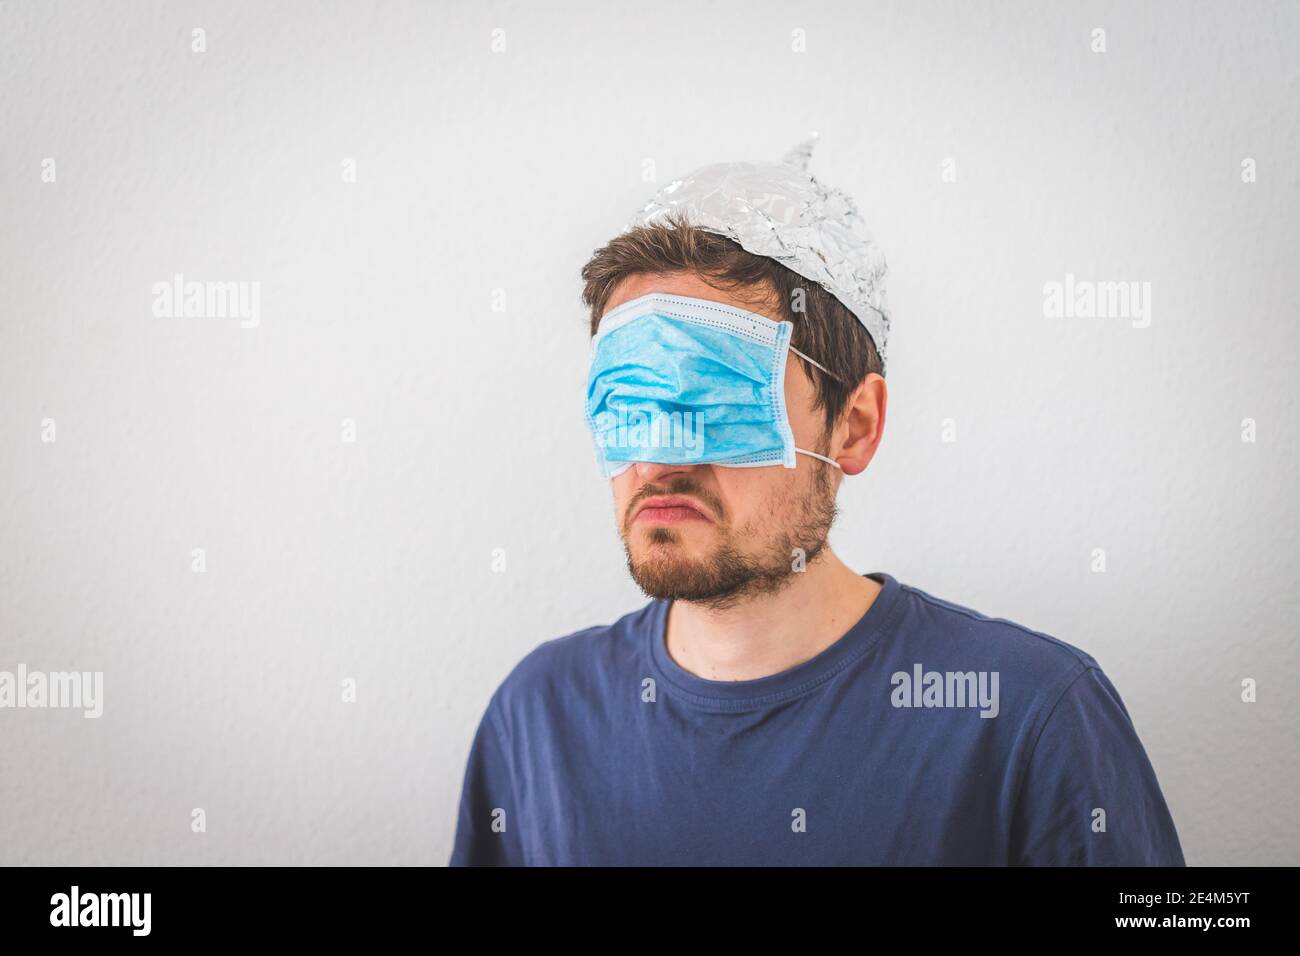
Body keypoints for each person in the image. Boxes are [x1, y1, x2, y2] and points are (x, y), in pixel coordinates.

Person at [449, 138, 1185, 866]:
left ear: (854, 428)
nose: (657, 458)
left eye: (714, 396)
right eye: (625, 403)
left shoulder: (1027, 717)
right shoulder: (536, 718)